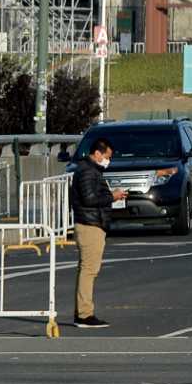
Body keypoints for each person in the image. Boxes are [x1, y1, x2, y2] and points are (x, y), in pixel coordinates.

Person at [67, 137, 125, 329]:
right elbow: (89, 198)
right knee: (89, 269)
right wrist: (112, 196)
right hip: (89, 224)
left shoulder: (91, 170)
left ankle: (82, 312)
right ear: (97, 153)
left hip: (93, 223)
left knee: (87, 269)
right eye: (107, 156)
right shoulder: (87, 171)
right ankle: (84, 314)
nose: (108, 161)